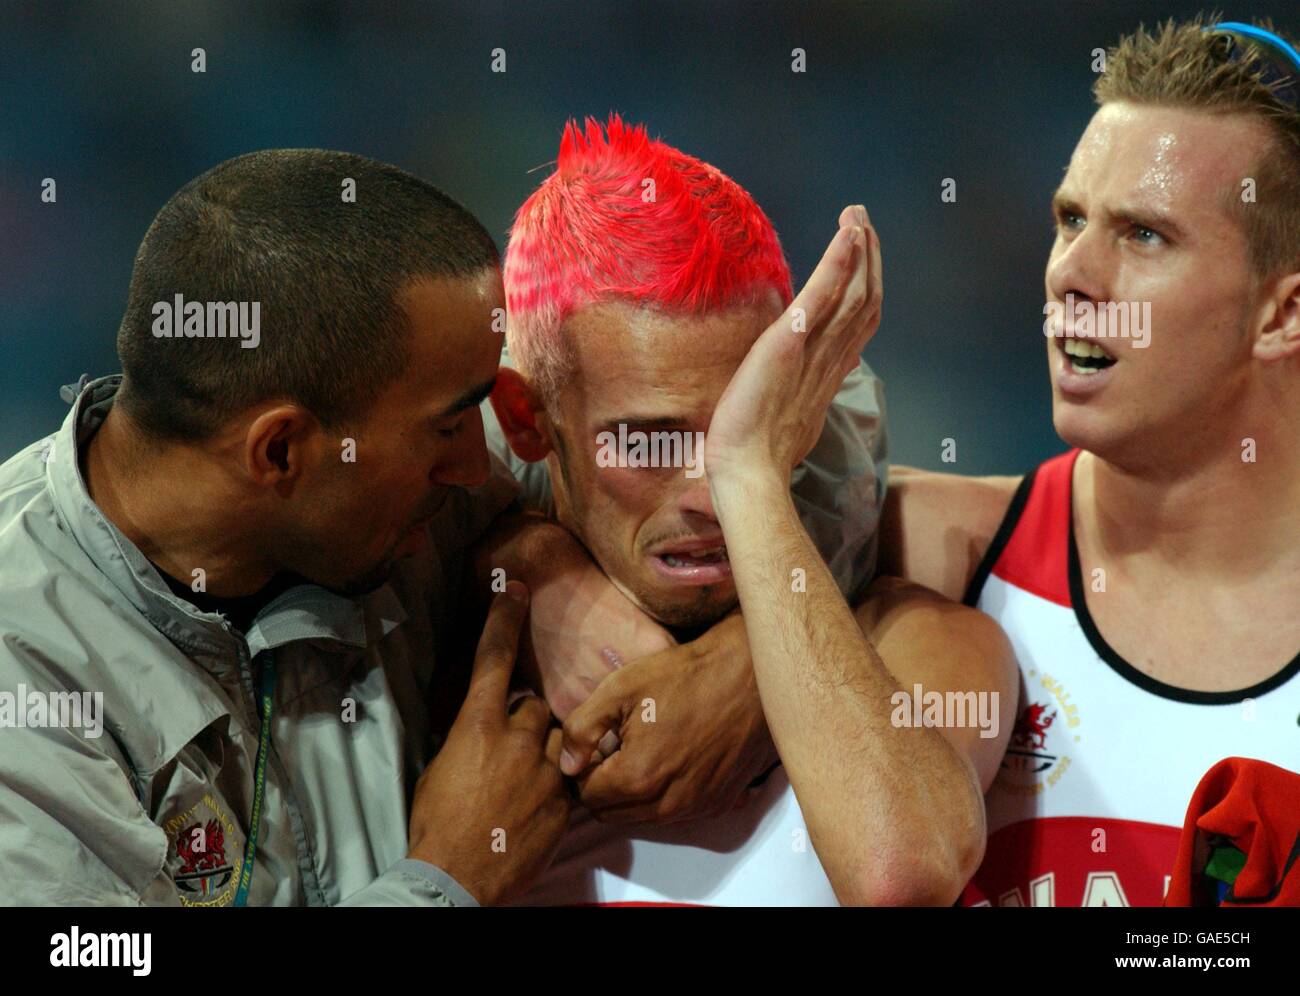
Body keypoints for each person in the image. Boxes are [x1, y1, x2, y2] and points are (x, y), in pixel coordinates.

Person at [0, 149, 587, 906]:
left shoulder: (390, 466)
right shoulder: (25, 678)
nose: (481, 464)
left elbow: (727, 471)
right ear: (280, 450)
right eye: (449, 428)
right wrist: (446, 884)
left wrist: (728, 679)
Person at [483, 118, 1018, 905]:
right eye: (649, 443)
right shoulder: (428, 573)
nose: (709, 496)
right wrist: (528, 562)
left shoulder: (917, 639)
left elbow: (899, 873)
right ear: (528, 422)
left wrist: (743, 667)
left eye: (747, 423)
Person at [877, 17, 1300, 906]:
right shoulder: (920, 546)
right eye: (1070, 218)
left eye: (1144, 235)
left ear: (1281, 315)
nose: (1071, 273)